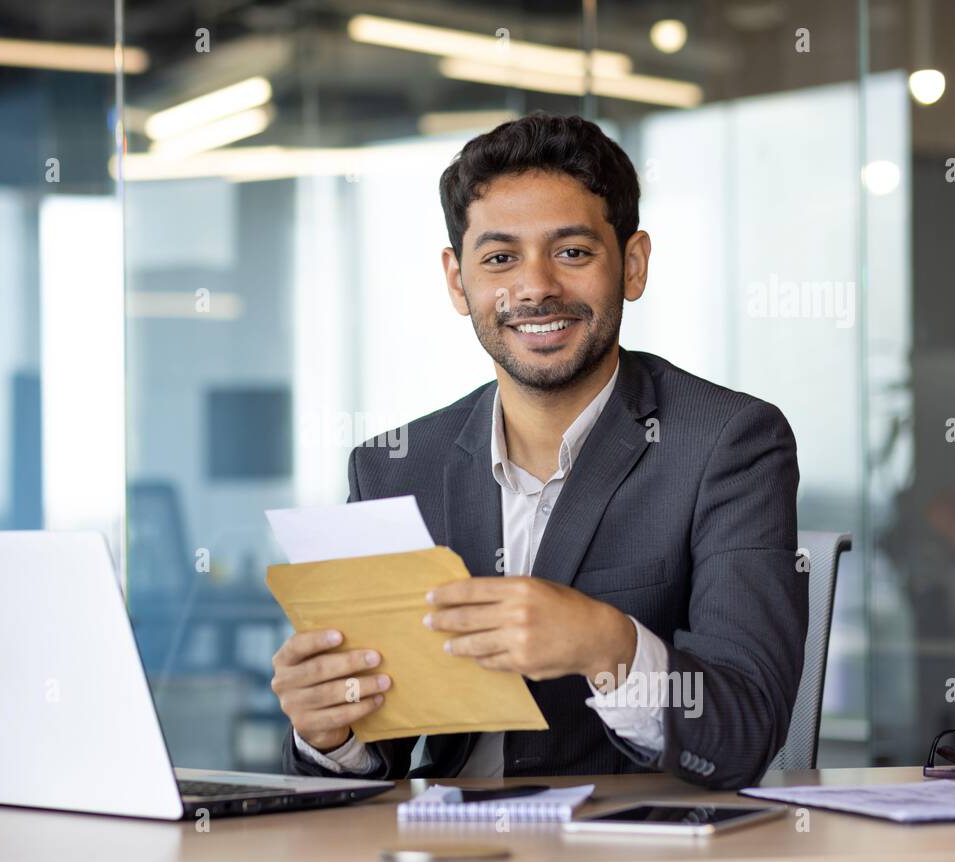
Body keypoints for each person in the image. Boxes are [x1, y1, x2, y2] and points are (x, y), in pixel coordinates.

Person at [270, 112, 808, 790]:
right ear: (458, 281)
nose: (535, 287)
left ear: (632, 264)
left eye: (573, 252)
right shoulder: (393, 465)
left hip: (623, 847)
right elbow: (377, 756)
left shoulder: (728, 442)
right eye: (499, 258)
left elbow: (745, 730)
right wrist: (330, 733)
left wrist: (606, 644)